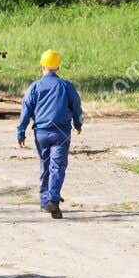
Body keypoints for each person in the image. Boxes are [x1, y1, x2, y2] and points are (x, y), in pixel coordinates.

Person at [16, 49, 83, 218]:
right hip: (61, 132)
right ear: (58, 67)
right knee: (57, 166)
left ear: (43, 66)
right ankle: (52, 199)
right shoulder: (65, 86)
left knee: (45, 166)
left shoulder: (35, 87)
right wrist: (78, 123)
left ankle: (45, 201)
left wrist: (21, 132)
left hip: (41, 133)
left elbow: (26, 110)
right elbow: (76, 106)